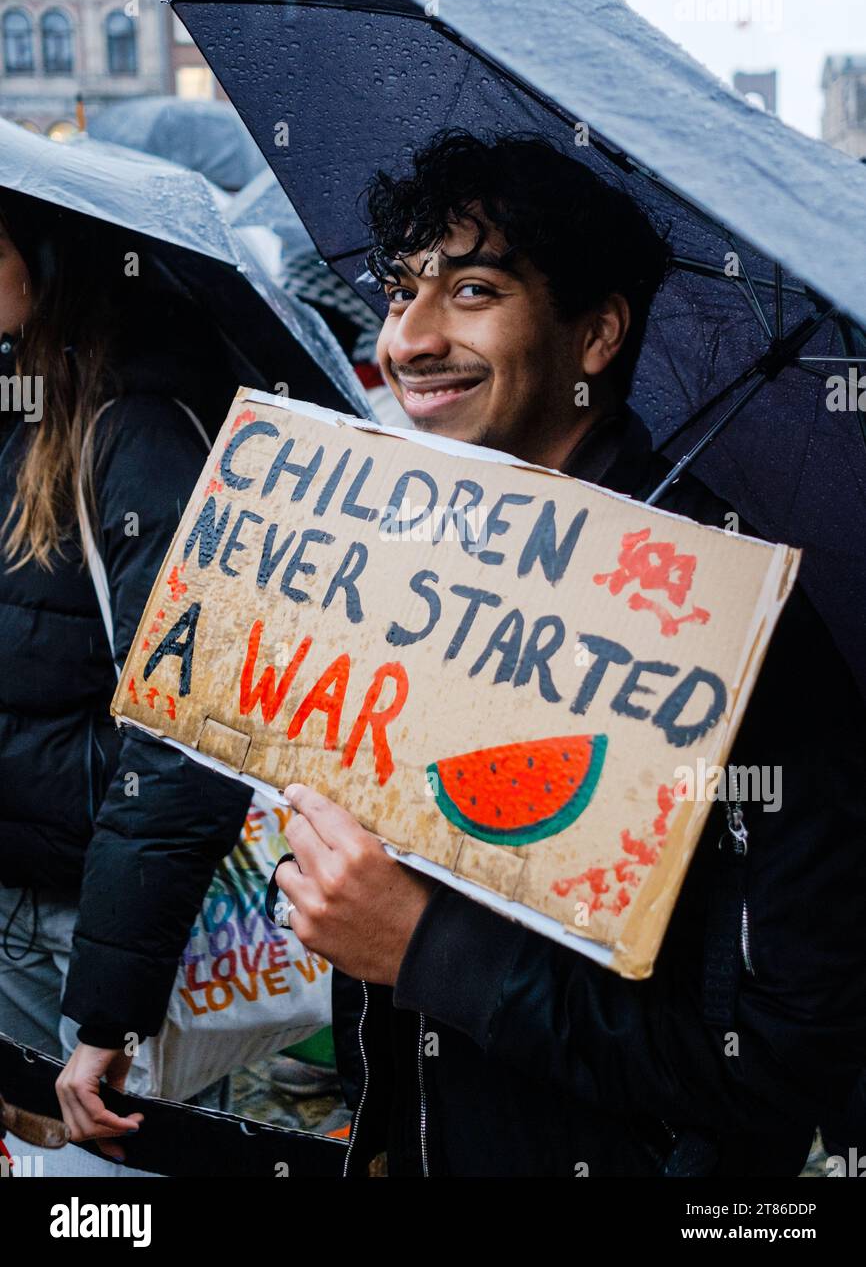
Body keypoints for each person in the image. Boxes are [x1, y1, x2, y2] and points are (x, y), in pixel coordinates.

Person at [272, 129, 866, 1176]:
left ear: (594, 336)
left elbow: (779, 1059)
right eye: (401, 288)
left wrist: (426, 949)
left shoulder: (737, 625)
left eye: (469, 292)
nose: (404, 339)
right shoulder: (418, 562)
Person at [0, 191, 252, 1173]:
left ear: (52, 258)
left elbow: (188, 728)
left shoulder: (140, 431)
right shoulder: (19, 410)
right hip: (16, 904)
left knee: (119, 1193)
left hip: (104, 925)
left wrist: (111, 1006)